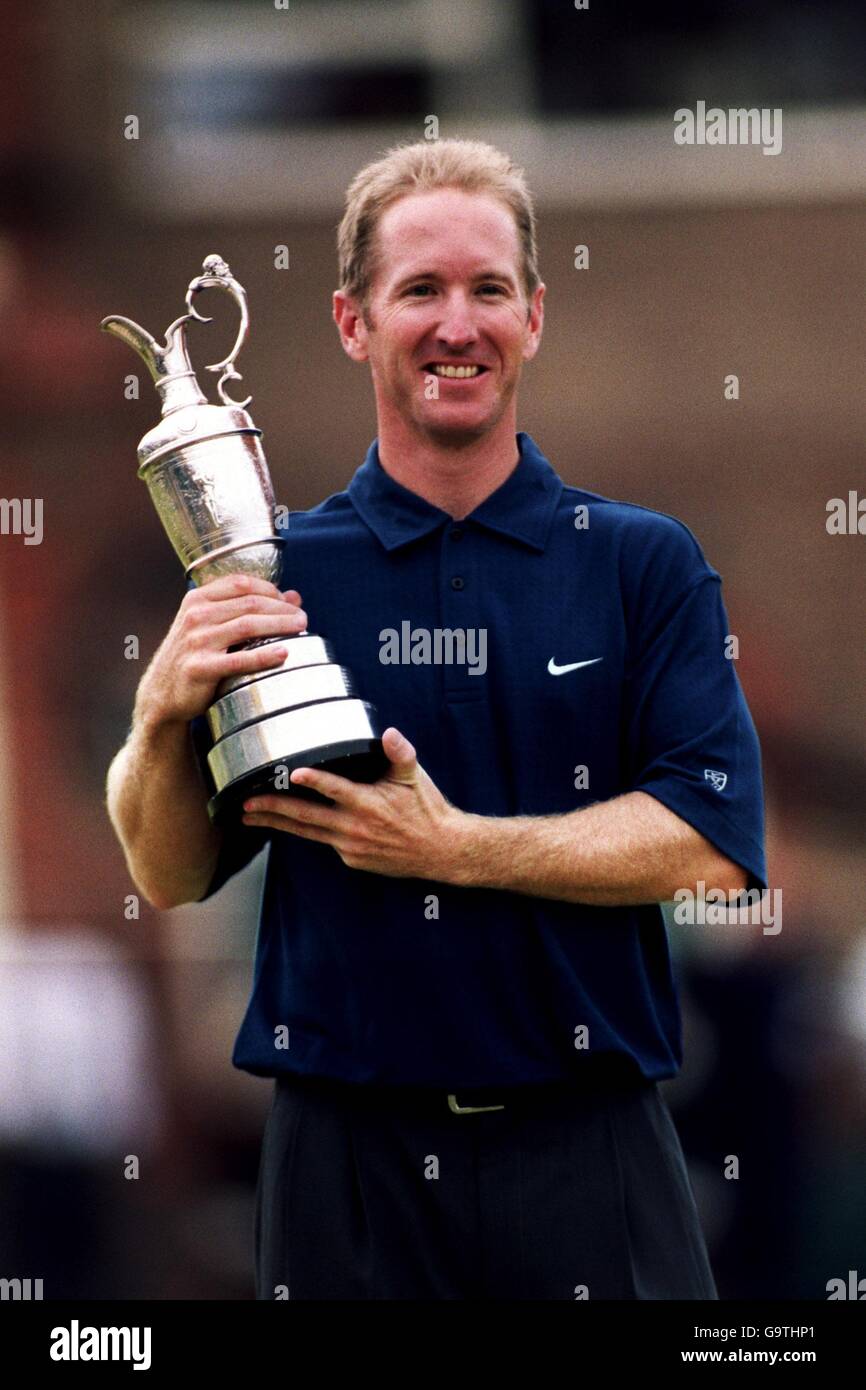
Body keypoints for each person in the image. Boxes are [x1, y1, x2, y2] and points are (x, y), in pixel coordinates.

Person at [106, 139, 766, 1300]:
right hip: (343, 1171)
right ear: (353, 321)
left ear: (532, 315)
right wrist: (162, 708)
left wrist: (454, 849)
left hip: (590, 1147)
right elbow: (167, 873)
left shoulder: (637, 563)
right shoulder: (269, 570)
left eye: (486, 288)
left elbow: (712, 847)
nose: (455, 323)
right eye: (418, 289)